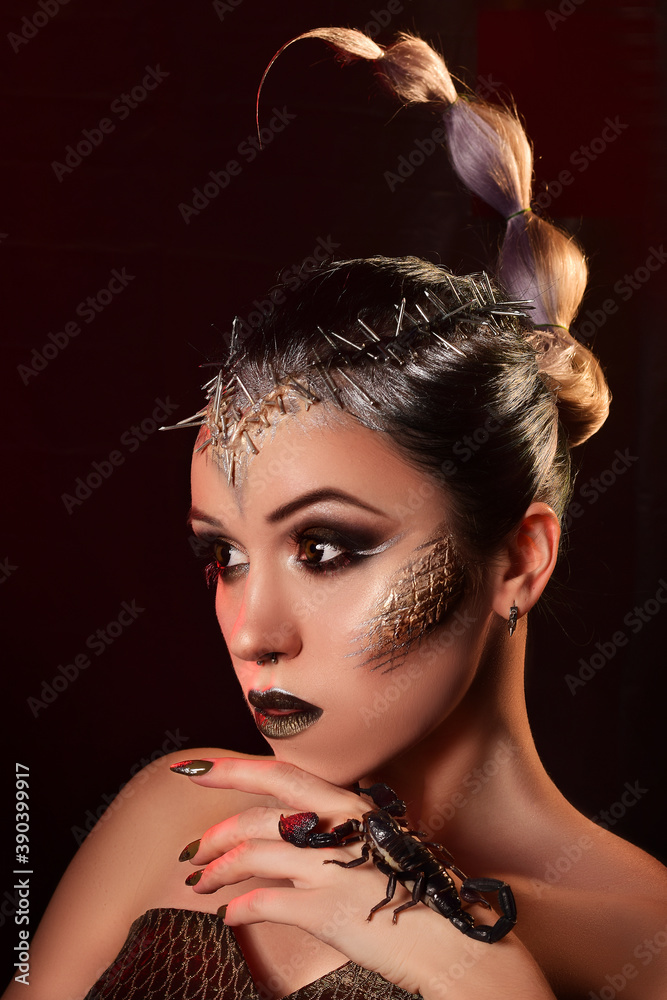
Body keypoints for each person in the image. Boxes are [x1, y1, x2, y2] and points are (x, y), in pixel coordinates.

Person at [5, 27, 666, 1000]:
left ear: (520, 559)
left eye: (322, 546)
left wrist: (479, 977)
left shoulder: (647, 943)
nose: (252, 632)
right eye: (224, 556)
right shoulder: (179, 812)